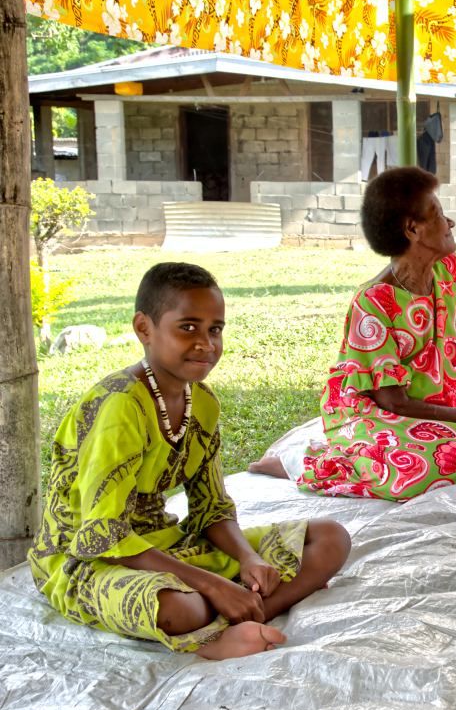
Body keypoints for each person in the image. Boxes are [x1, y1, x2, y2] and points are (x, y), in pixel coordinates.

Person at [28, 263, 351, 659]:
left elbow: (211, 508)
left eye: (215, 329)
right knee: (179, 609)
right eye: (188, 327)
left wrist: (247, 558)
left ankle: (246, 614)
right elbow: (103, 535)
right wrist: (215, 585)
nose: (206, 343)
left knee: (330, 538)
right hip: (87, 558)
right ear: (144, 329)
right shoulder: (120, 407)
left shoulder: (202, 403)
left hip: (165, 545)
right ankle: (224, 625)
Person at [263, 166, 456, 500]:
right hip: (381, 414)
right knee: (411, 472)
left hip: (444, 406)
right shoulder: (373, 302)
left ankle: (368, 457)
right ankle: (303, 462)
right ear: (413, 229)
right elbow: (393, 401)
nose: (449, 223)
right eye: (438, 214)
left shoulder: (453, 270)